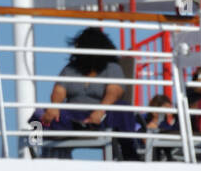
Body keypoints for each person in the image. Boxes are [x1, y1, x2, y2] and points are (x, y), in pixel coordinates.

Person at [31, 27, 138, 160]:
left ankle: (131, 156)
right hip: (72, 115)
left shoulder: (112, 68)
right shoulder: (70, 69)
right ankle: (36, 153)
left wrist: (100, 111)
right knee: (38, 116)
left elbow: (114, 91)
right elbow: (59, 90)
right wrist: (54, 106)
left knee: (123, 108)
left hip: (101, 116)